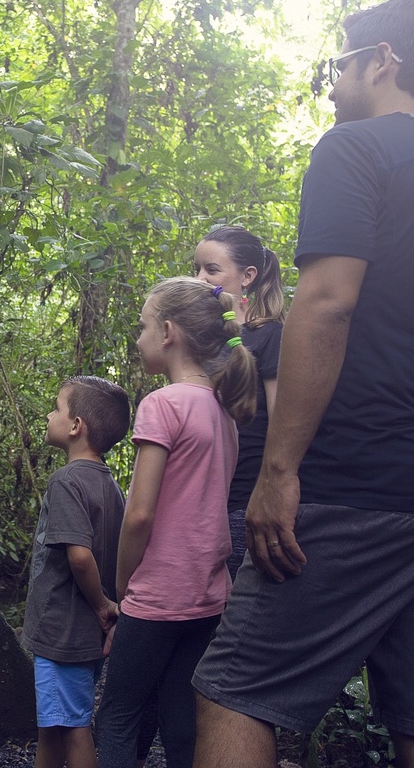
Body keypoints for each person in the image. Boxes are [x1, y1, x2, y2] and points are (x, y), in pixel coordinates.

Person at [192, 0, 414, 768]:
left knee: (234, 689)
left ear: (382, 61)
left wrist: (278, 472)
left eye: (340, 63)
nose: (334, 81)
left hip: (362, 484)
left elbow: (329, 303)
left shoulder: (354, 151)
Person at [95, 278, 259, 768]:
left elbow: (141, 513)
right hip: (208, 593)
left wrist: (124, 587)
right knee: (179, 714)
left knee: (118, 715)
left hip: (157, 594)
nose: (138, 336)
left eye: (143, 326)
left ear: (168, 332)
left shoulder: (163, 404)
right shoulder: (223, 409)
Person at [22, 375, 132, 768]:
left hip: (63, 632)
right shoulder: (110, 486)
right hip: (81, 634)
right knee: (54, 724)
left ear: (75, 426)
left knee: (73, 727)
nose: (49, 414)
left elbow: (80, 557)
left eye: (56, 407)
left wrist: (103, 604)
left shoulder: (66, 481)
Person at [193, 226, 285, 578]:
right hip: (199, 497)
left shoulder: (269, 337)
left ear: (248, 276)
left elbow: (280, 422)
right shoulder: (201, 338)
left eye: (211, 270)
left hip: (242, 499)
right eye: (197, 269)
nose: (200, 279)